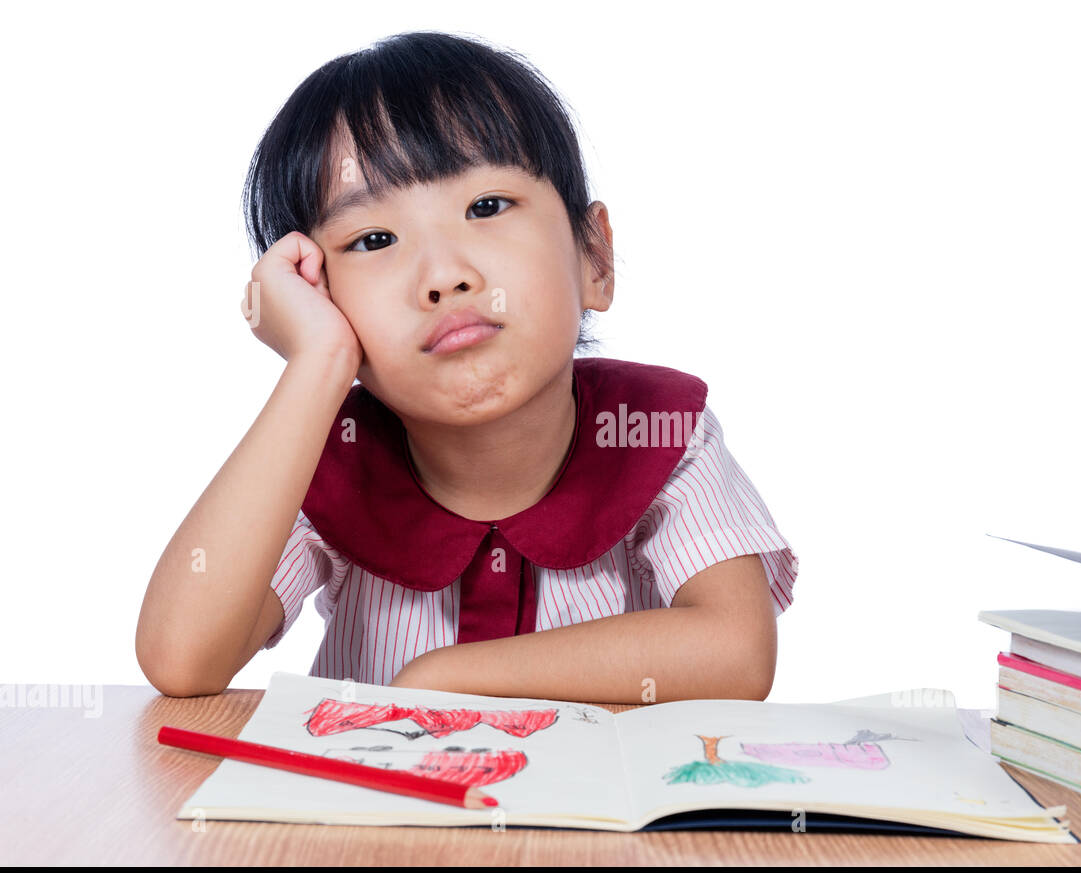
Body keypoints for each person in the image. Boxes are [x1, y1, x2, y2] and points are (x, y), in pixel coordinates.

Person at [136, 30, 797, 704]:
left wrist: (443, 679)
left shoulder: (654, 430)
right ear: (319, 297)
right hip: (368, 811)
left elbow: (736, 652)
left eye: (486, 206)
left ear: (593, 259)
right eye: (373, 240)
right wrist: (317, 363)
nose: (444, 276)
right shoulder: (327, 454)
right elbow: (183, 659)